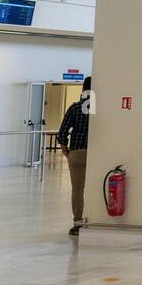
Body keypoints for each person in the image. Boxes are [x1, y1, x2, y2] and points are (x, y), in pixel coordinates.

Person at [56, 77, 92, 236]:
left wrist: (66, 151)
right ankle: (96, 220)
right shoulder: (103, 110)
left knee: (78, 189)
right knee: (96, 188)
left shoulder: (75, 108)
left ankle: (78, 223)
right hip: (98, 154)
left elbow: (62, 132)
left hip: (77, 152)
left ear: (83, 89)